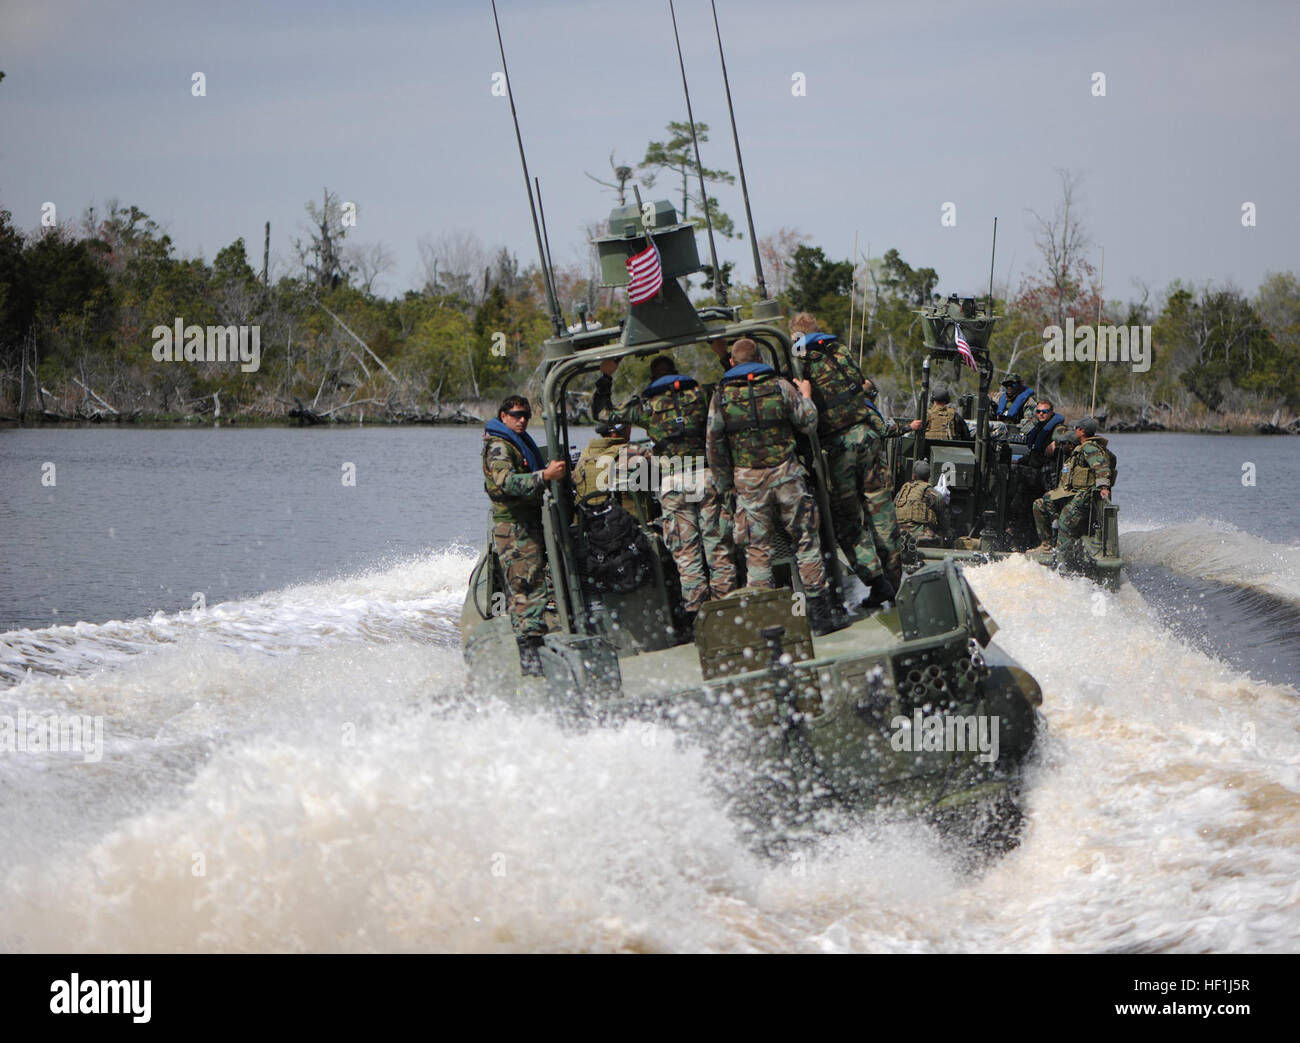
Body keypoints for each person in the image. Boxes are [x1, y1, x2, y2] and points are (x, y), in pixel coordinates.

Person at [706, 337, 845, 635]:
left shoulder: (721, 396)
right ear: (760, 359)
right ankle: (820, 616)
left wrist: (725, 483)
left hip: (749, 481)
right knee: (806, 542)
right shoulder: (780, 387)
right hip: (787, 475)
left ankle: (766, 624)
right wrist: (805, 395)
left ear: (732, 362)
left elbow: (714, 445)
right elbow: (808, 423)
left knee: (757, 550)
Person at [593, 354, 737, 618]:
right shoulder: (703, 395)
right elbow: (735, 390)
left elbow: (603, 413)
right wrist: (723, 356)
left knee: (686, 553)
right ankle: (728, 609)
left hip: (673, 483)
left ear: (652, 378)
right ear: (676, 371)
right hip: (705, 475)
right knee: (718, 549)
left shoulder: (646, 406)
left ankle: (700, 617)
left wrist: (606, 376)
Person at [790, 312, 895, 606]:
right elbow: (864, 385)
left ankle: (876, 580)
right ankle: (897, 582)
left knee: (847, 520)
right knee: (881, 511)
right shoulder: (839, 350)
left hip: (838, 448)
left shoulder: (800, 360)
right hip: (867, 437)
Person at [482, 395, 567, 673]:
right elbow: (506, 482)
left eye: (526, 416)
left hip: (527, 523)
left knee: (535, 586)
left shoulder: (516, 442)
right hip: (514, 527)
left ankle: (537, 653)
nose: (521, 420)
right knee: (525, 589)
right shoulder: (499, 447)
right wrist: (544, 476)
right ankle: (531, 663)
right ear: (503, 415)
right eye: (516, 415)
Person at [1030, 417, 1115, 551]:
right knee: (1040, 504)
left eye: (1077, 428)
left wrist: (1104, 487)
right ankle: (1047, 544)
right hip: (1072, 494)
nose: (1075, 431)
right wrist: (1055, 443)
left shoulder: (1090, 447)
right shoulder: (1080, 448)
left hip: (1084, 497)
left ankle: (1061, 553)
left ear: (1082, 431)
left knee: (1066, 518)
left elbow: (1101, 467)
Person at [573, 421, 647, 514]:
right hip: (629, 524)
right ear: (622, 430)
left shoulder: (584, 455)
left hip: (589, 522)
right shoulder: (635, 452)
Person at [894, 459, 949, 541]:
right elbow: (945, 522)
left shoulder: (902, 493)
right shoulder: (934, 494)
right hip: (921, 537)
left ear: (914, 476)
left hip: (899, 535)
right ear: (929, 477)